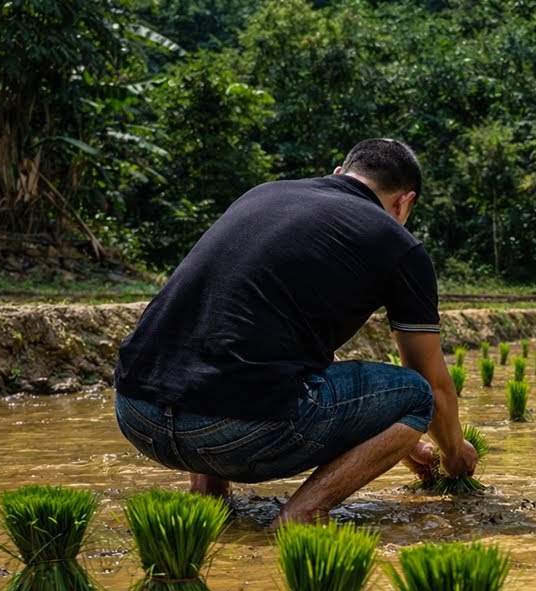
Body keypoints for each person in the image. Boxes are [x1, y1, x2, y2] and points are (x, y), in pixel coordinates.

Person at [113, 138, 476, 526]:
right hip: (232, 435)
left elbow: (237, 330)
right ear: (405, 203)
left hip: (137, 410)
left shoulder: (263, 195)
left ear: (339, 174)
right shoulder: (396, 243)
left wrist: (397, 439)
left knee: (230, 354)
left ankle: (209, 505)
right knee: (415, 395)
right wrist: (454, 457)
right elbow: (432, 383)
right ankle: (302, 513)